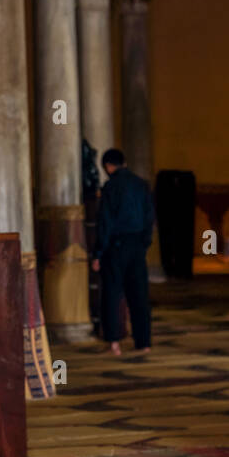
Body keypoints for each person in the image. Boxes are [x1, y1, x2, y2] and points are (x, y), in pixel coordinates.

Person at [91, 147, 155, 357]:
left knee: (111, 294)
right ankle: (143, 343)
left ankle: (114, 344)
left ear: (108, 167)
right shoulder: (141, 185)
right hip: (137, 245)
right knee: (139, 296)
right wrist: (144, 243)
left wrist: (98, 253)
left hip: (116, 246)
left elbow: (106, 223)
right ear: (124, 163)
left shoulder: (111, 187)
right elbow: (149, 217)